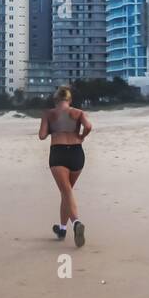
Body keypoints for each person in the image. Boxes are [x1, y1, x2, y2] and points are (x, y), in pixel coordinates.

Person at [38, 85, 93, 247]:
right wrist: (81, 136)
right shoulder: (79, 113)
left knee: (66, 192)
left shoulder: (49, 114)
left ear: (55, 100)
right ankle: (62, 229)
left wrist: (53, 129)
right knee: (66, 192)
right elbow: (89, 126)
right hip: (76, 153)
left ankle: (76, 223)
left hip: (58, 153)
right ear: (69, 100)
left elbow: (42, 136)